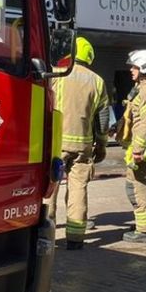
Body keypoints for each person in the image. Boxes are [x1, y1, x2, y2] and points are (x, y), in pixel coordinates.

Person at [45, 37, 110, 251]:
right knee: (78, 189)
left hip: (55, 143)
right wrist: (101, 145)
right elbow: (102, 118)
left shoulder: (57, 73)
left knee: (49, 189)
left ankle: (46, 234)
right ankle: (75, 238)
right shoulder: (97, 81)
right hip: (83, 147)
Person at [118, 49, 146, 244]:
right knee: (134, 185)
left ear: (145, 66)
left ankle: (145, 231)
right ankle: (142, 223)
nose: (131, 69)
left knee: (138, 186)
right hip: (137, 147)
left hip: (142, 149)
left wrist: (137, 149)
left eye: (134, 66)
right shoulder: (142, 87)